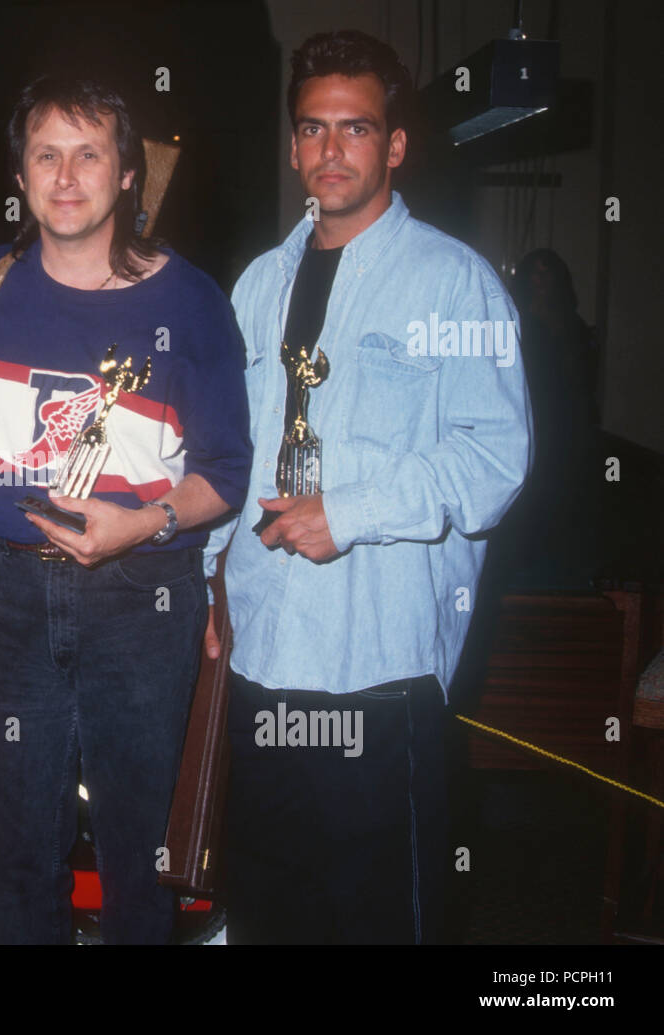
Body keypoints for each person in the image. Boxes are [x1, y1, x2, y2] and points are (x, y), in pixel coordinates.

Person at [0, 76, 252, 944]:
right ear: (19, 174)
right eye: (46, 154)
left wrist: (147, 523)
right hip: (4, 591)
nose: (66, 175)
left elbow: (225, 470)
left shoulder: (191, 301)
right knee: (16, 848)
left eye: (88, 153)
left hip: (144, 596)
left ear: (128, 172)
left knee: (140, 857)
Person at [205, 30, 531, 944]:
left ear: (394, 145)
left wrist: (350, 512)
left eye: (356, 129)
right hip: (262, 657)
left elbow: (495, 460)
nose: (330, 151)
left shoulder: (455, 285)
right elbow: (228, 451)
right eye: (313, 129)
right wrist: (203, 580)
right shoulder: (257, 287)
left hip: (378, 672)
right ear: (293, 143)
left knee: (380, 920)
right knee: (269, 913)